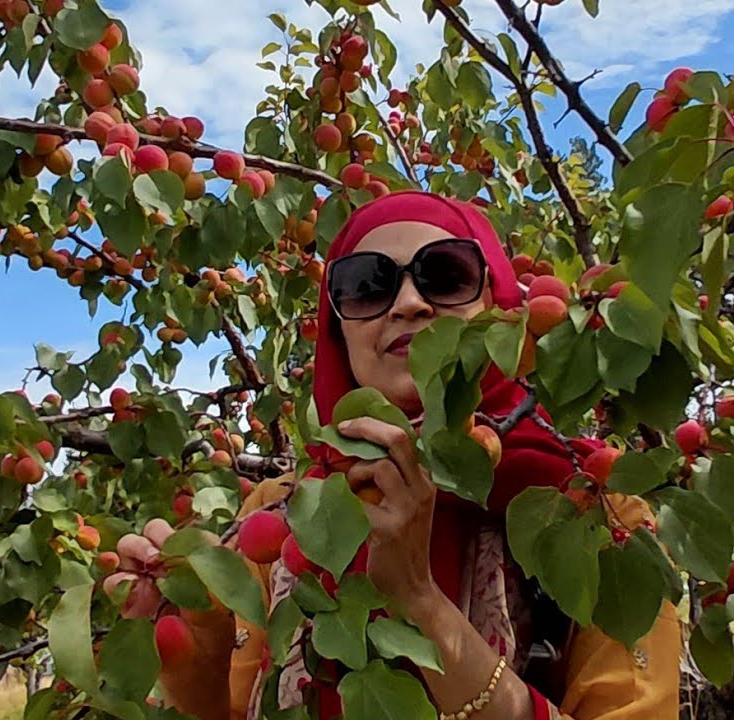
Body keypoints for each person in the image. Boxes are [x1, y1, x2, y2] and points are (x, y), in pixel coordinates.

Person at [117, 191, 682, 719]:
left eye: (448, 276)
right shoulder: (286, 512)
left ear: (500, 306)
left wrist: (419, 599)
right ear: (338, 332)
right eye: (367, 286)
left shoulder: (598, 515)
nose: (410, 303)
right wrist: (196, 660)